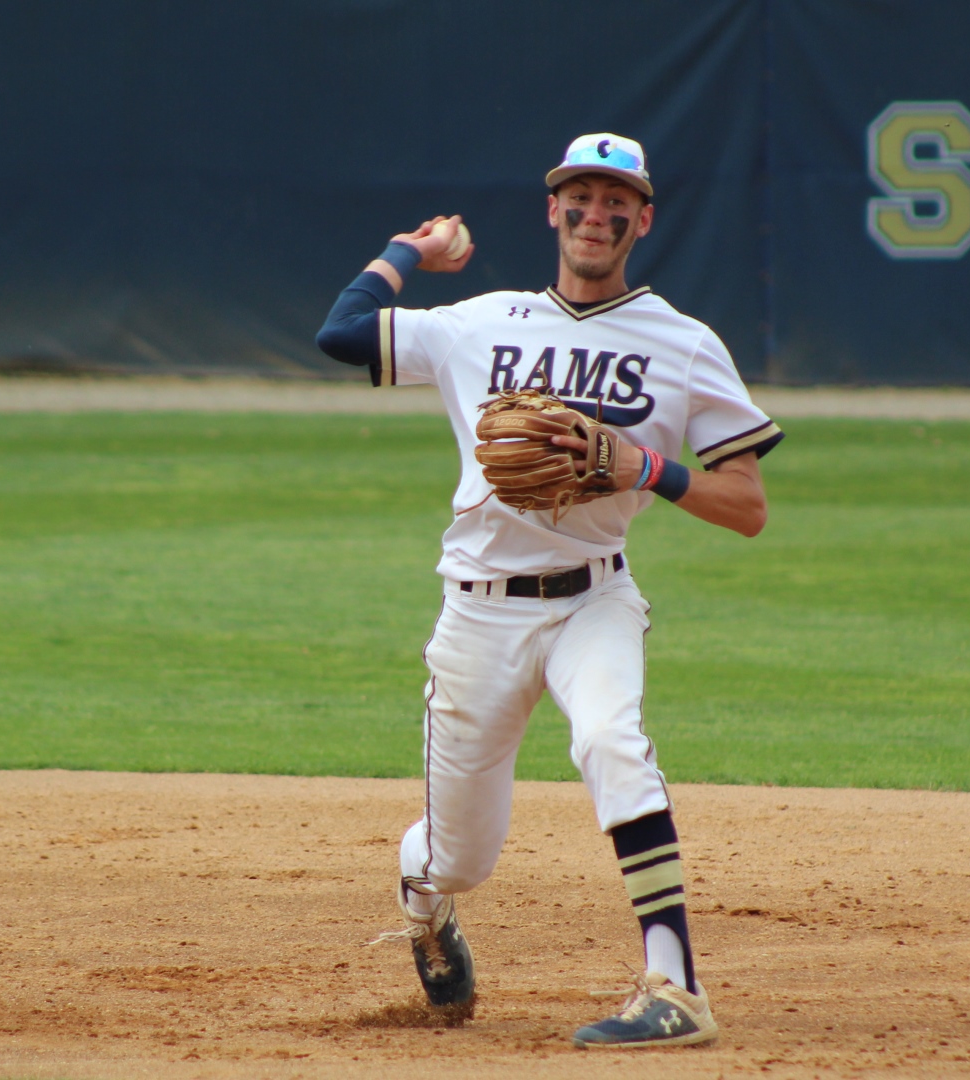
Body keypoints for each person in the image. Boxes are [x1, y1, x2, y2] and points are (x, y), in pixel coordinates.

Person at [316, 133, 782, 1048]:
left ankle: (674, 987)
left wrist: (649, 466)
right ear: (552, 210)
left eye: (618, 201)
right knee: (458, 859)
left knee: (613, 739)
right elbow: (341, 334)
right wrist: (411, 250)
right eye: (580, 197)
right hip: (478, 614)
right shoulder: (480, 321)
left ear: (643, 220)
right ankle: (425, 908)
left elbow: (749, 506)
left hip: (592, 600)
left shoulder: (682, 345)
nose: (596, 214)